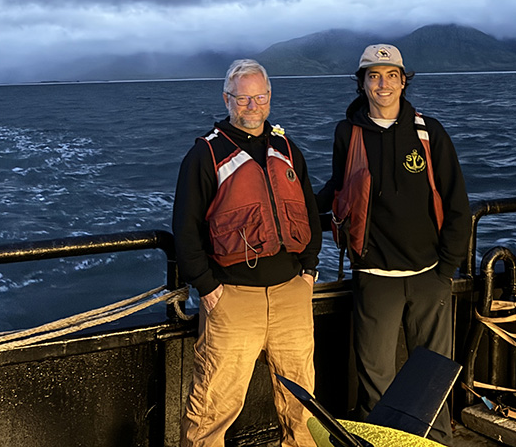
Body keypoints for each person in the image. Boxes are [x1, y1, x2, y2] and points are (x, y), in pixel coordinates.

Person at [316, 44, 471, 444]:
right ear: (362, 83)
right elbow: (339, 190)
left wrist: (446, 268)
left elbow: (456, 202)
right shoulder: (346, 133)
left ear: (404, 81)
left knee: (432, 376)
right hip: (373, 275)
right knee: (375, 380)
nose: (382, 84)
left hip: (428, 275)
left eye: (390, 75)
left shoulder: (429, 132)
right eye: (373, 75)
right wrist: (294, 215)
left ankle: (437, 443)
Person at [173, 58, 322, 447]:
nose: (252, 106)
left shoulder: (288, 149)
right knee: (213, 406)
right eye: (243, 99)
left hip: (292, 292)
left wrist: (308, 271)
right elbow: (186, 228)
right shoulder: (205, 155)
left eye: (259, 97)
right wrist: (208, 288)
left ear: (269, 97)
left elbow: (309, 210)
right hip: (233, 299)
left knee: (301, 403)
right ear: (227, 99)